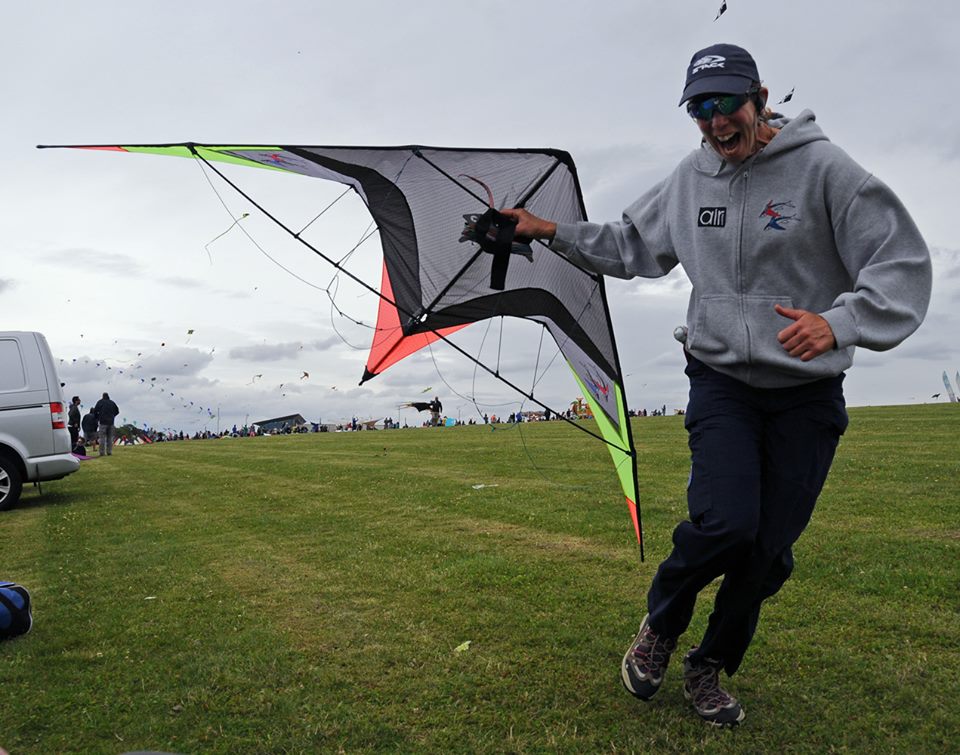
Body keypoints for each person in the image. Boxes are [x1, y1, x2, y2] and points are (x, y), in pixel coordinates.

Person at [501, 43, 931, 726]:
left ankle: (709, 664)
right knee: (727, 523)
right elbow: (629, 243)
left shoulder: (823, 169)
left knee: (766, 555)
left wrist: (840, 321)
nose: (715, 121)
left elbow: (900, 260)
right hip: (722, 380)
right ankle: (661, 627)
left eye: (727, 103)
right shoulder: (689, 178)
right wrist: (549, 230)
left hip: (805, 395)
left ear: (758, 97)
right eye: (700, 108)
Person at [93, 392, 120, 457]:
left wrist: (98, 417)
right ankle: (109, 452)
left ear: (102, 396)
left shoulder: (100, 402)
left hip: (102, 422)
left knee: (102, 438)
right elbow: (117, 411)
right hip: (111, 422)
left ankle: (102, 452)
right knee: (110, 438)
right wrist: (113, 416)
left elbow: (95, 411)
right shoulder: (112, 403)